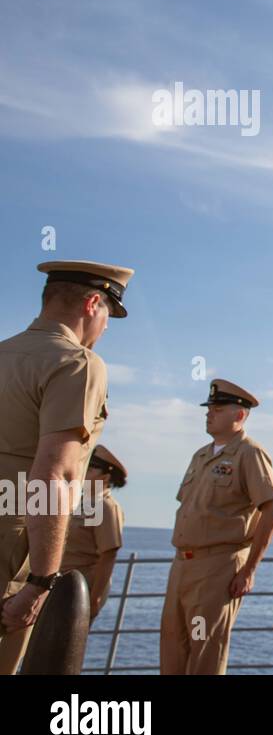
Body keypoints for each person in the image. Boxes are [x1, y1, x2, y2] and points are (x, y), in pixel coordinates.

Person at [0, 260, 132, 675]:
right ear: (93, 303)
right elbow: (53, 476)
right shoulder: (78, 363)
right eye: (109, 314)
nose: (106, 328)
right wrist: (41, 582)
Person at [161, 379, 273, 675]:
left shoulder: (250, 454)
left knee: (205, 649)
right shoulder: (201, 455)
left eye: (217, 408)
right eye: (209, 408)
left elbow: (272, 510)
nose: (209, 413)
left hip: (216, 568)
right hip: (183, 564)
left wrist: (249, 569)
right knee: (172, 644)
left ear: (239, 415)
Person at [60, 444, 127, 620]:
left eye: (91, 468)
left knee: (66, 644)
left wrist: (94, 599)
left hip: (79, 588)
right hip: (61, 584)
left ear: (106, 476)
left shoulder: (106, 507)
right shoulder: (79, 502)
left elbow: (108, 556)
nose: (85, 472)